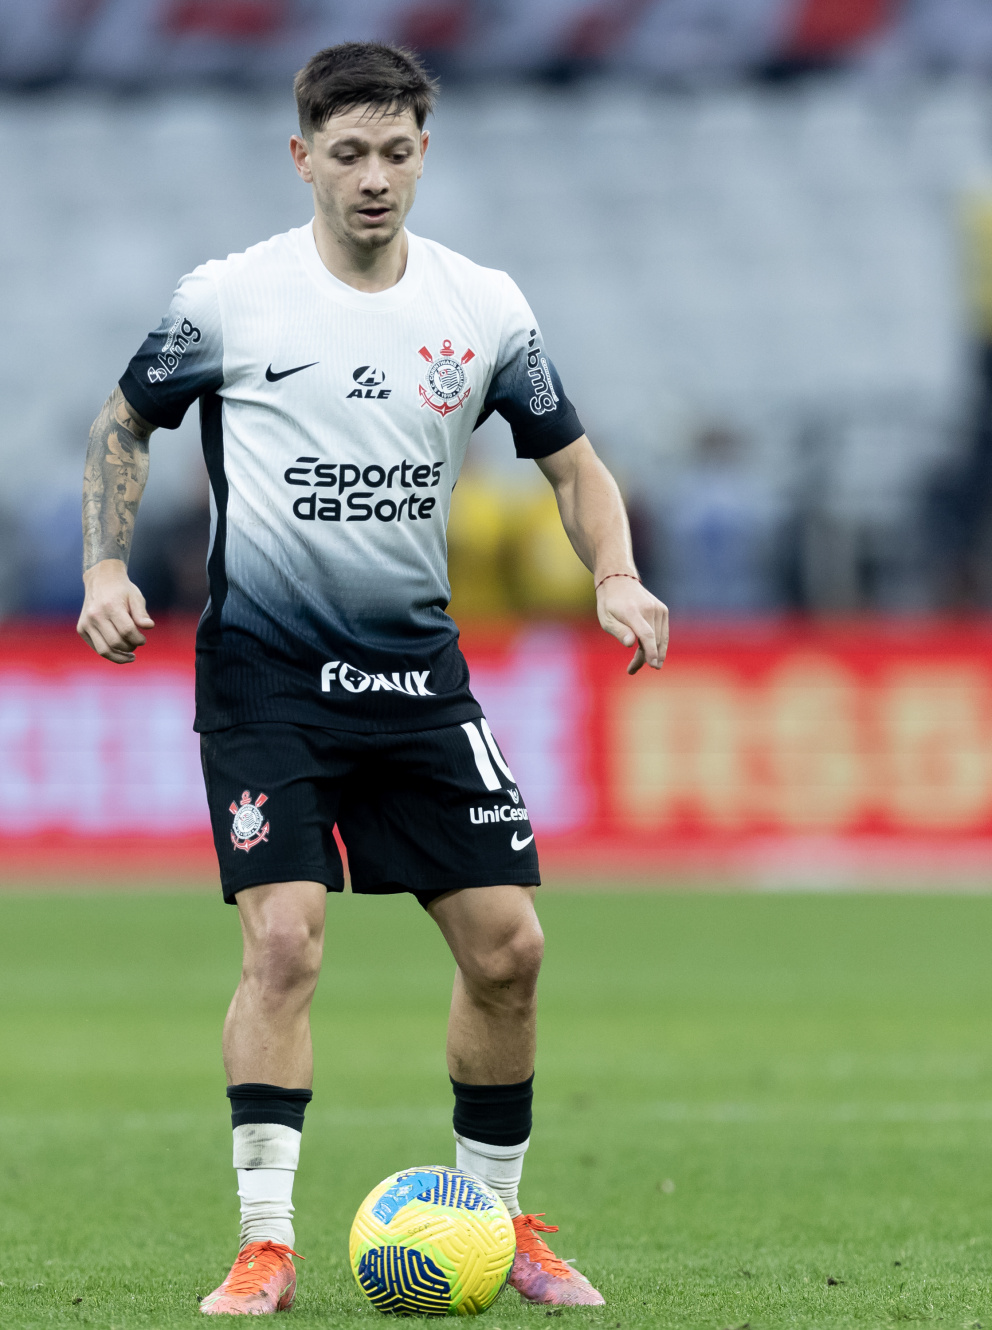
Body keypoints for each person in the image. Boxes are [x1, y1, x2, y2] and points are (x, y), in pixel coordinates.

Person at [77, 41, 669, 1316]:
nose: (374, 178)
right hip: (266, 679)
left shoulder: (482, 306)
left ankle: (497, 1222)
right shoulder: (230, 299)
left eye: (396, 152)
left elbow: (573, 464)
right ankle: (266, 1243)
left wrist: (616, 573)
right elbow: (124, 422)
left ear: (423, 154)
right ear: (302, 158)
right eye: (348, 154)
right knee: (286, 941)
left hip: (414, 678)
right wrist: (104, 566)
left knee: (511, 948)